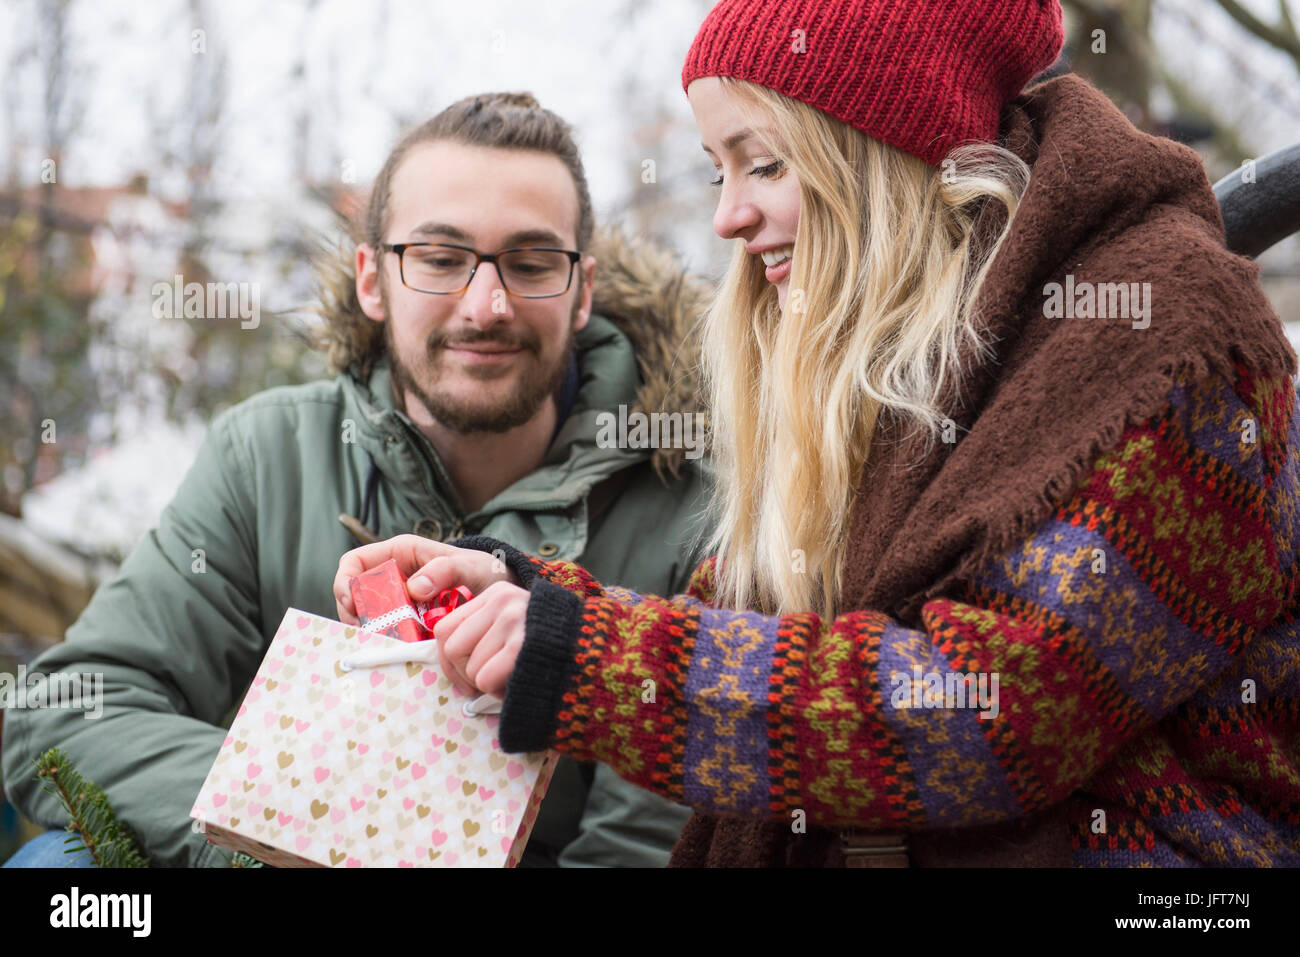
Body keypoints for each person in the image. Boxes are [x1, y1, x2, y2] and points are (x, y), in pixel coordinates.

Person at [334, 0, 1300, 867]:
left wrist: (582, 653)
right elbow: (750, 633)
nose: (726, 216)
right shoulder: (903, 336)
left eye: (765, 162)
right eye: (716, 169)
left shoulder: (1172, 345)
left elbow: (992, 714)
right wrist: (530, 599)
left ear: (879, 147)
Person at [2, 92, 712, 867]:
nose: (486, 305)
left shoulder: (687, 504)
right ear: (372, 279)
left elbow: (646, 840)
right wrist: (295, 833)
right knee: (58, 868)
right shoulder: (268, 454)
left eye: (532, 263)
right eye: (440, 259)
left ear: (581, 292)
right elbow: (68, 709)